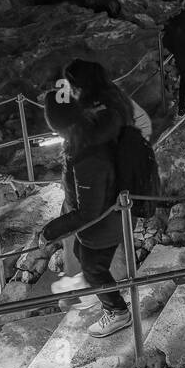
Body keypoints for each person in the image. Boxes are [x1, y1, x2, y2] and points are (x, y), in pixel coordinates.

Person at [40, 88, 132, 338]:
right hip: (103, 216)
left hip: (102, 222)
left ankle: (118, 312)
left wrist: (51, 230)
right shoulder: (88, 131)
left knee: (93, 267)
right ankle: (98, 287)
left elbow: (89, 211)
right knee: (83, 255)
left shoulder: (86, 155)